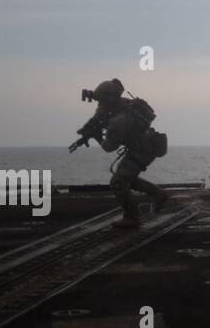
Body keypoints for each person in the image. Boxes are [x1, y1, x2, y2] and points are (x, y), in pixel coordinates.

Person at [69, 79, 171, 230]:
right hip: (145, 145)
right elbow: (99, 114)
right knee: (126, 177)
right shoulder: (122, 103)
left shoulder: (119, 121)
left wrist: (97, 136)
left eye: (101, 100)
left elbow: (109, 147)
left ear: (108, 99)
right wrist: (87, 129)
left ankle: (132, 218)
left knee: (118, 183)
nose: (99, 104)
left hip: (143, 151)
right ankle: (158, 193)